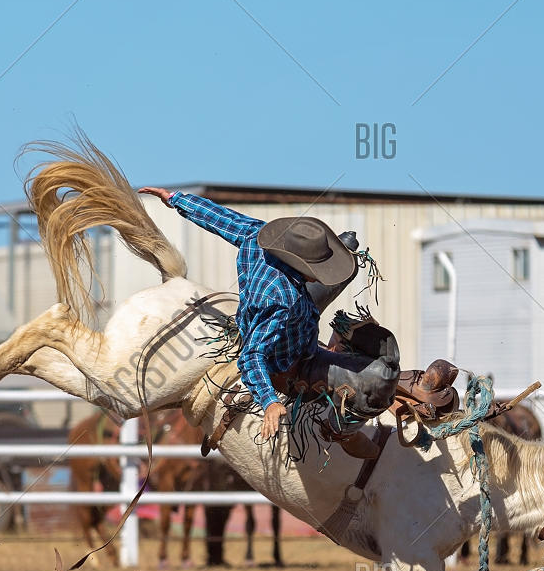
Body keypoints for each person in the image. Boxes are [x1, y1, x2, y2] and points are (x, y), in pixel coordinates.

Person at [138, 188, 401, 442]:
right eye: (319, 266)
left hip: (295, 309)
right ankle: (339, 429)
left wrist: (176, 199)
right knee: (382, 377)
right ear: (302, 265)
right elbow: (252, 357)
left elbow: (222, 218)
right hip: (291, 358)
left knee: (348, 254)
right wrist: (270, 401)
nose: (323, 271)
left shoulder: (256, 238)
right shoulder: (280, 302)